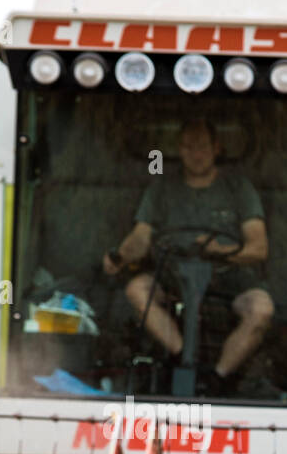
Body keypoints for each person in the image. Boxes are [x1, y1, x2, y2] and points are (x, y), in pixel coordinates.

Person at [101, 118, 273, 395]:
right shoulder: (161, 189)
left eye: (202, 146)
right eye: (188, 147)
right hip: (172, 275)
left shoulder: (238, 188)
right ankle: (181, 357)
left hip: (227, 277)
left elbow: (258, 248)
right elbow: (141, 236)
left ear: (217, 148)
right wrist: (118, 257)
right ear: (179, 150)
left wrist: (221, 251)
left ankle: (217, 377)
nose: (196, 154)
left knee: (262, 309)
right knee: (136, 290)